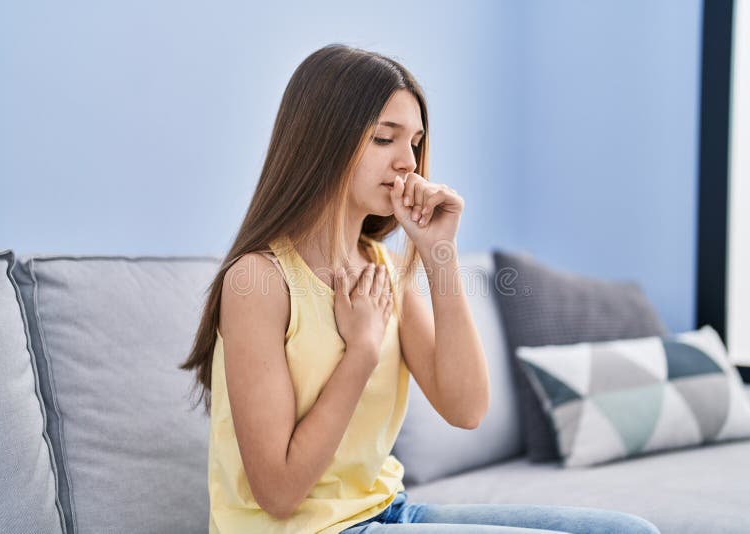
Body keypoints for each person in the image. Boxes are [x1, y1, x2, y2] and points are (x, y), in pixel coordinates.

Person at [179, 43, 661, 534]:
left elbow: (466, 409)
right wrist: (361, 351)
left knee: (628, 532)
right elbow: (278, 494)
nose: (408, 162)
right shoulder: (258, 281)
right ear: (323, 140)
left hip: (386, 511)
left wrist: (438, 253)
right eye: (384, 139)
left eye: (415, 142)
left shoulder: (384, 272)